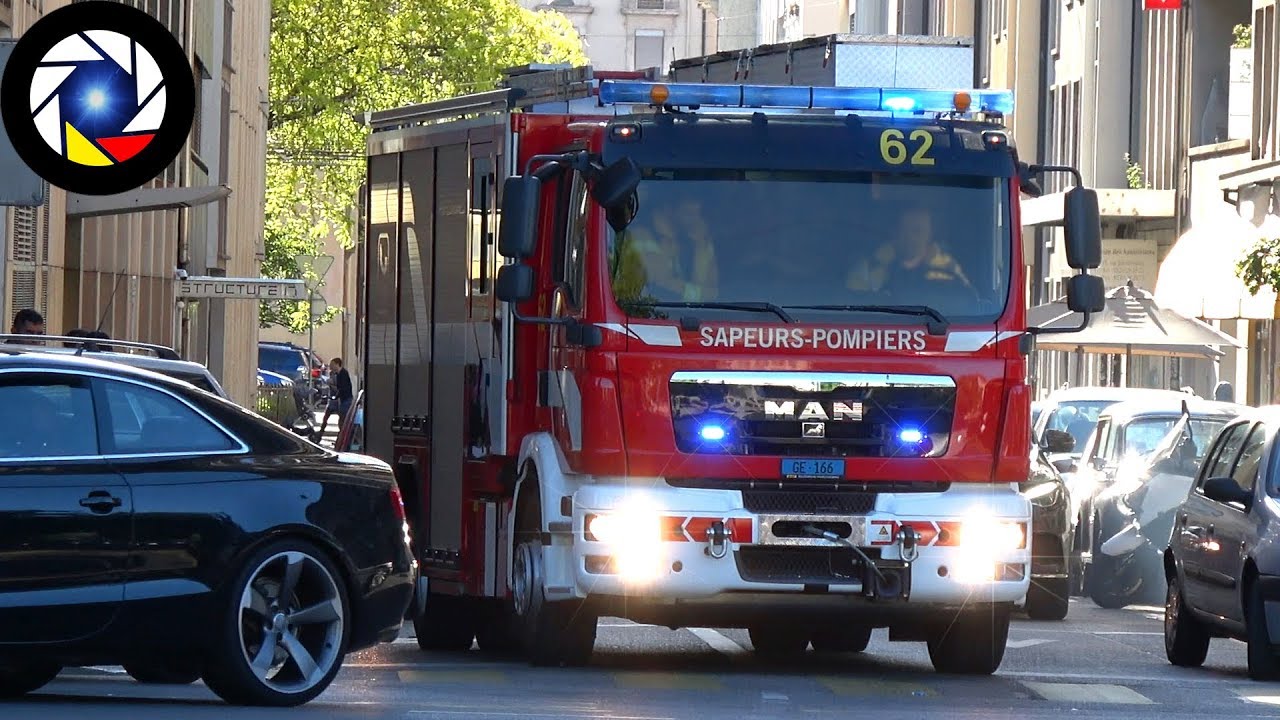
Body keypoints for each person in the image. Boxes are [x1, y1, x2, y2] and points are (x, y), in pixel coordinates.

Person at [847, 208, 975, 297]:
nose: (909, 237)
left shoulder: (948, 267)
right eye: (903, 230)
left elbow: (968, 302)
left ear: (930, 235)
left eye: (917, 231)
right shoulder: (869, 266)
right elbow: (850, 308)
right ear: (894, 233)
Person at [316, 357, 353, 440]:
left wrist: (335, 393)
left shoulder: (343, 374)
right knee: (327, 417)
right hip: (338, 399)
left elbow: (342, 388)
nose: (330, 366)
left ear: (337, 364)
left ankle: (342, 438)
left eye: (332, 365)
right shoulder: (335, 373)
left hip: (344, 399)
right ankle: (321, 434)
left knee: (342, 419)